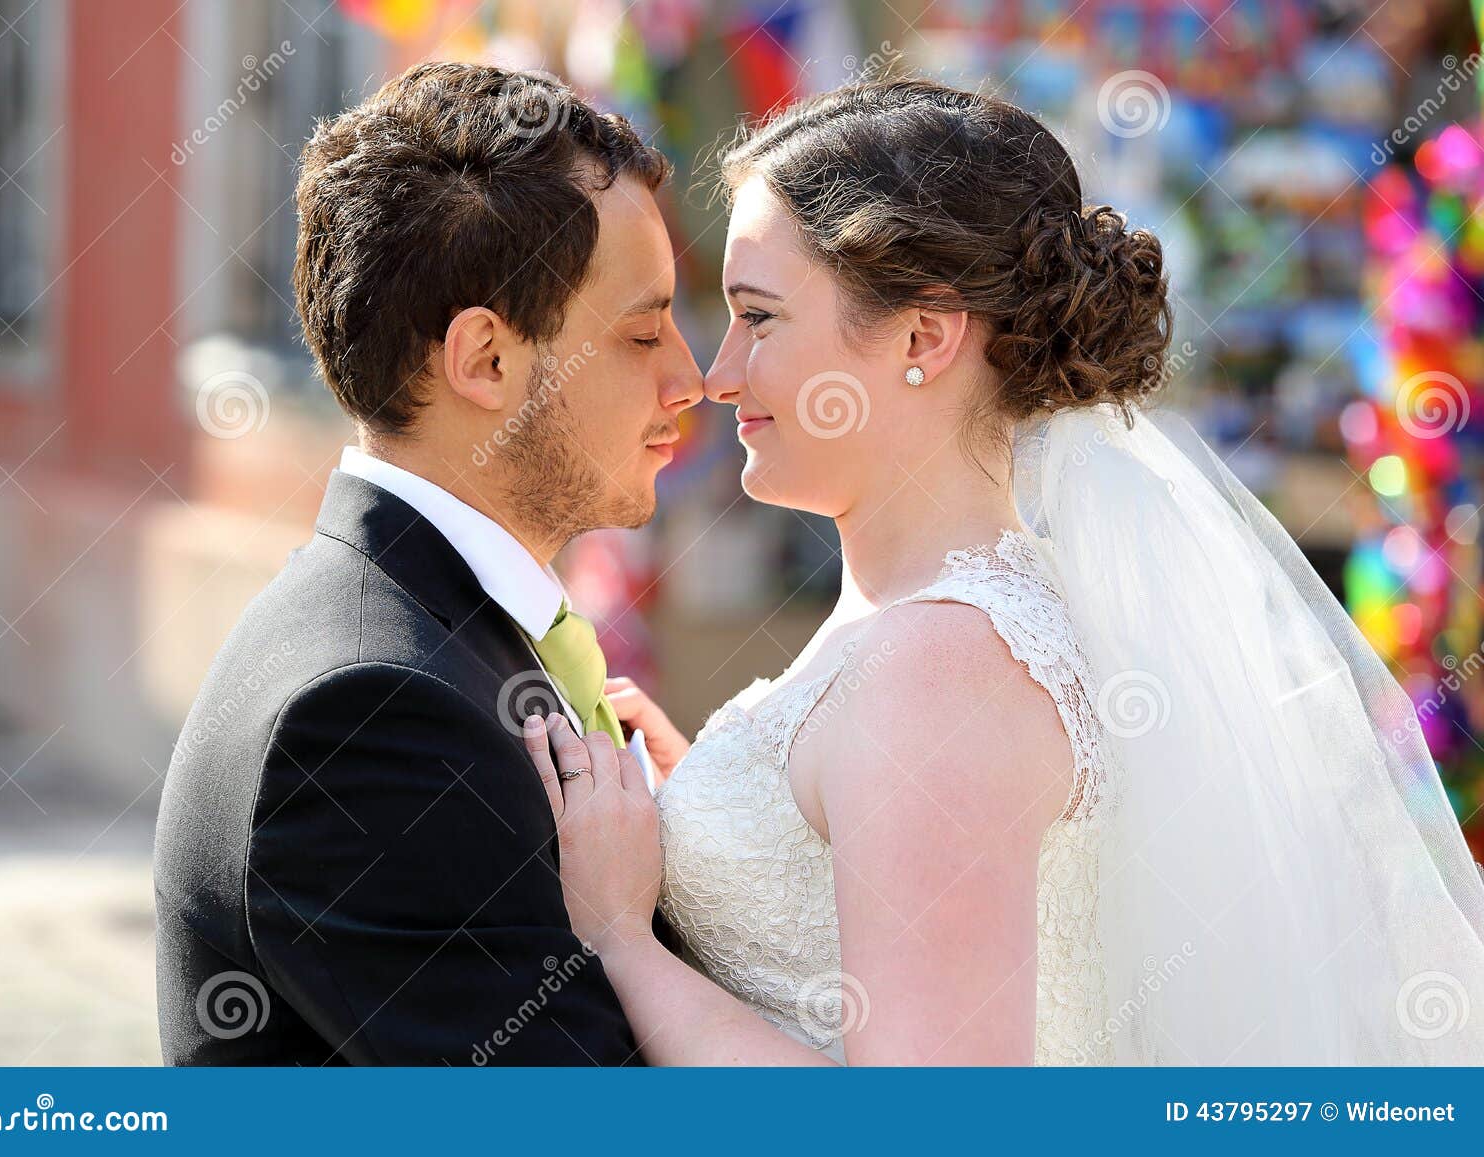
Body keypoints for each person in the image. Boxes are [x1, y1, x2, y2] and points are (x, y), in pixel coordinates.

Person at [526, 77, 1484, 1065]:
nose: (718, 376)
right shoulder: (948, 631)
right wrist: (721, 793)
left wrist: (621, 940)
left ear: (922, 335)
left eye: (759, 318)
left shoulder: (936, 667)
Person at [153, 62, 702, 1064]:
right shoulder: (368, 716)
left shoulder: (443, 637)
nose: (690, 379)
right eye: (642, 332)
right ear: (486, 359)